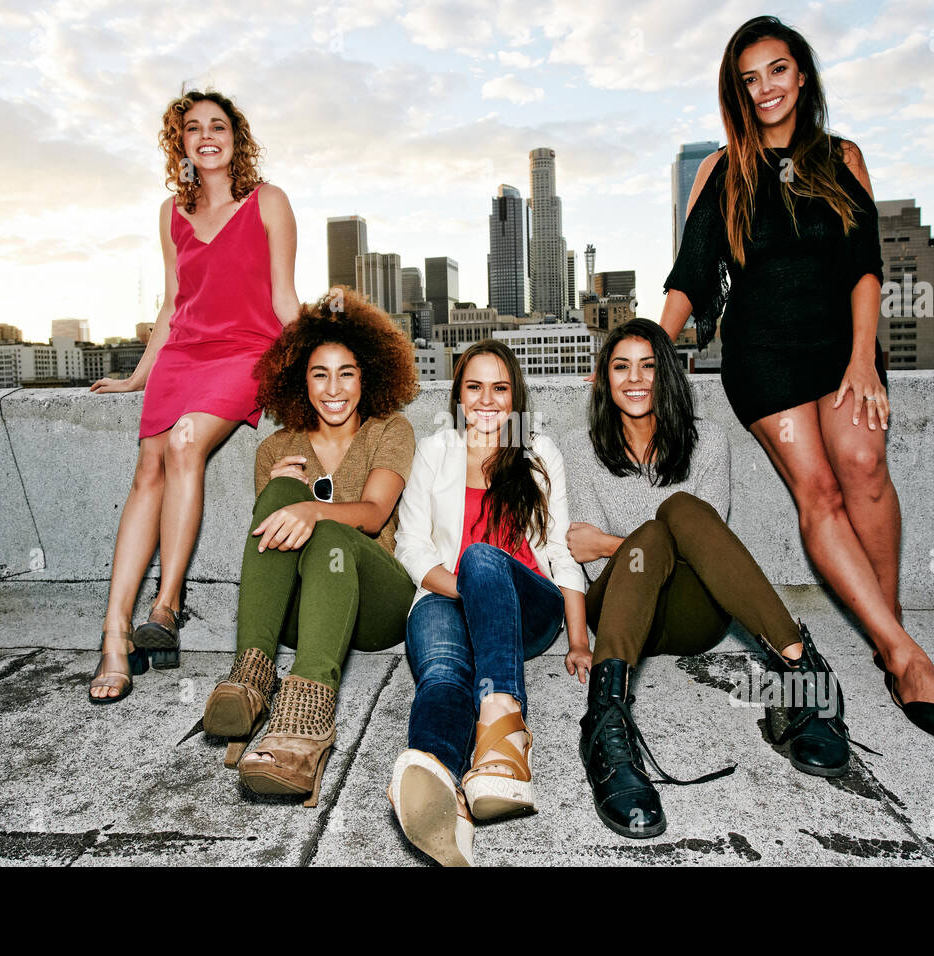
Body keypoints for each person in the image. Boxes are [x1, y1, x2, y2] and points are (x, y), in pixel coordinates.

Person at [660, 16, 934, 747]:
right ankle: (904, 656)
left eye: (776, 70)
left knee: (863, 464)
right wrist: (642, 349)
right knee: (820, 491)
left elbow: (864, 265)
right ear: (737, 93)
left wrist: (864, 357)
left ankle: (883, 631)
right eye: (749, 79)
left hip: (840, 344)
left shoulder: (842, 157)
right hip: (762, 351)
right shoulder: (723, 169)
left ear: (801, 75)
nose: (765, 88)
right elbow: (691, 277)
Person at [564, 320, 853, 840]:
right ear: (604, 378)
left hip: (695, 614)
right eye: (621, 366)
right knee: (656, 532)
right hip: (623, 613)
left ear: (668, 374)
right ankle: (605, 724)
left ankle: (801, 672)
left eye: (649, 366)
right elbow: (585, 560)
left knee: (679, 512)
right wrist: (641, 544)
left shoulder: (708, 441)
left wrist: (617, 540)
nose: (636, 379)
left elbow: (703, 547)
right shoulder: (580, 450)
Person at [87, 89, 299, 703]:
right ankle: (112, 638)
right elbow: (171, 303)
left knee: (184, 444)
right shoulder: (170, 214)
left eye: (219, 126)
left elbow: (284, 298)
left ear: (238, 137)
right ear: (179, 142)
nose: (207, 136)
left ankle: (168, 602)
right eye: (193, 128)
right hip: (183, 354)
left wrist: (324, 359)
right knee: (146, 472)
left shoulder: (269, 202)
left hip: (245, 352)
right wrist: (138, 374)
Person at [202, 289, 419, 805]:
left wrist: (312, 508)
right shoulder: (277, 447)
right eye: (320, 374)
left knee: (325, 530)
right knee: (281, 492)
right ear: (302, 380)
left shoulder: (390, 430)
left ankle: (307, 717)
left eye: (346, 372)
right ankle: (252, 675)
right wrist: (287, 497)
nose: (334, 388)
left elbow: (371, 514)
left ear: (367, 376)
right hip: (307, 608)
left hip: (375, 600)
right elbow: (273, 553)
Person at [388, 340, 587, 866]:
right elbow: (410, 543)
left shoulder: (540, 451)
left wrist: (580, 637)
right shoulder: (435, 451)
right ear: (458, 395)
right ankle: (438, 786)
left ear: (514, 396)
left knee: (480, 558)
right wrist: (465, 592)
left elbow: (562, 550)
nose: (486, 401)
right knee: (444, 674)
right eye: (473, 388)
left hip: (526, 608)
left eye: (499, 389)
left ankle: (506, 734)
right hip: (442, 594)